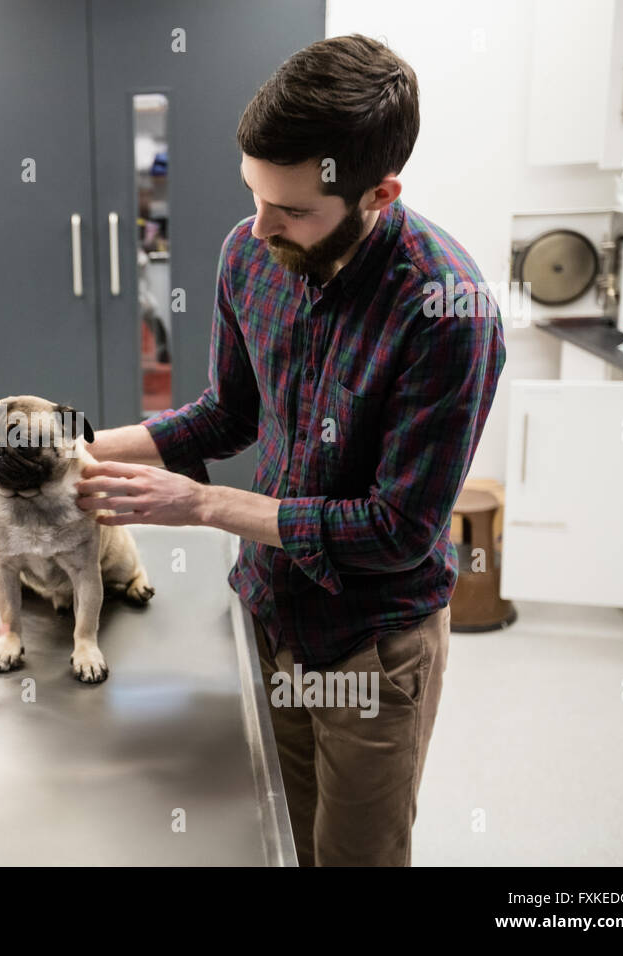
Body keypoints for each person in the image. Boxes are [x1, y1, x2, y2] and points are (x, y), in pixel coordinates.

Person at [76, 34, 505, 866]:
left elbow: (396, 531)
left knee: (351, 856)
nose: (260, 225)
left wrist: (202, 505)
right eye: (255, 194)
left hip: (369, 645)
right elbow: (227, 416)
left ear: (379, 192)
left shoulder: (446, 309)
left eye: (295, 210)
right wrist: (75, 448)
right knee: (270, 840)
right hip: (269, 609)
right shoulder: (251, 254)